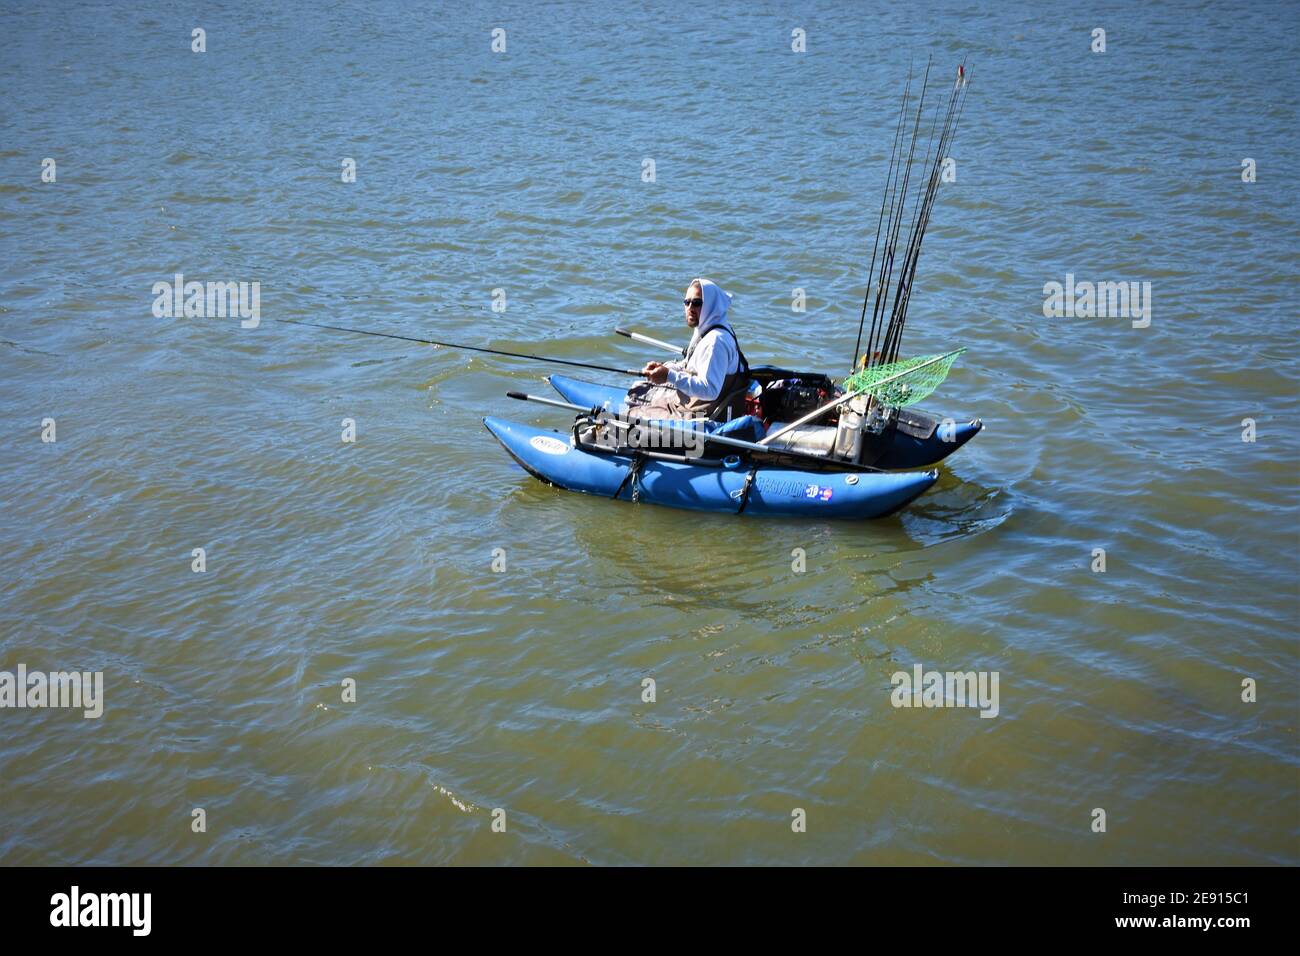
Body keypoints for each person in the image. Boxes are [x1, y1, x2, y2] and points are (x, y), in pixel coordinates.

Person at [626, 277, 750, 421]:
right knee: (637, 389)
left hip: (700, 413)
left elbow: (710, 390)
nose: (690, 307)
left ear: (710, 304)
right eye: (687, 302)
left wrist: (669, 376)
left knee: (633, 410)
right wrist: (665, 368)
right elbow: (690, 365)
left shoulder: (715, 342)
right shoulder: (708, 327)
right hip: (693, 400)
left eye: (696, 303)